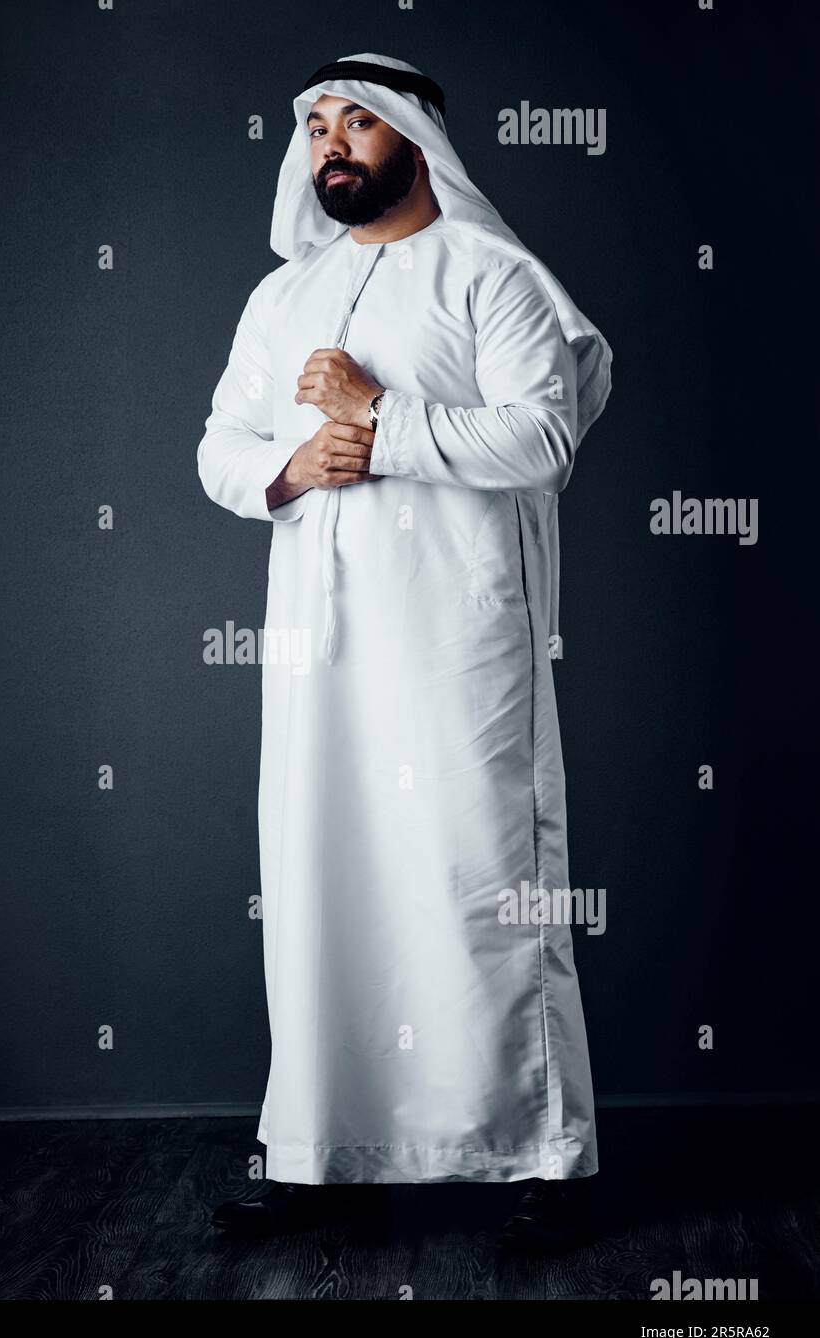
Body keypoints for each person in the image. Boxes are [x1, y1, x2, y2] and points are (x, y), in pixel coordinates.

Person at [197, 53, 612, 1253]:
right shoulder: (282, 299)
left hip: (458, 641)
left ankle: (540, 1157)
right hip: (321, 647)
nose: (331, 141)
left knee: (477, 881)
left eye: (356, 122)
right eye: (317, 123)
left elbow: (543, 436)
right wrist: (290, 468)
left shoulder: (496, 276)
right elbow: (219, 445)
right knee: (328, 879)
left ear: (415, 138)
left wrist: (382, 421)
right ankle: (326, 1158)